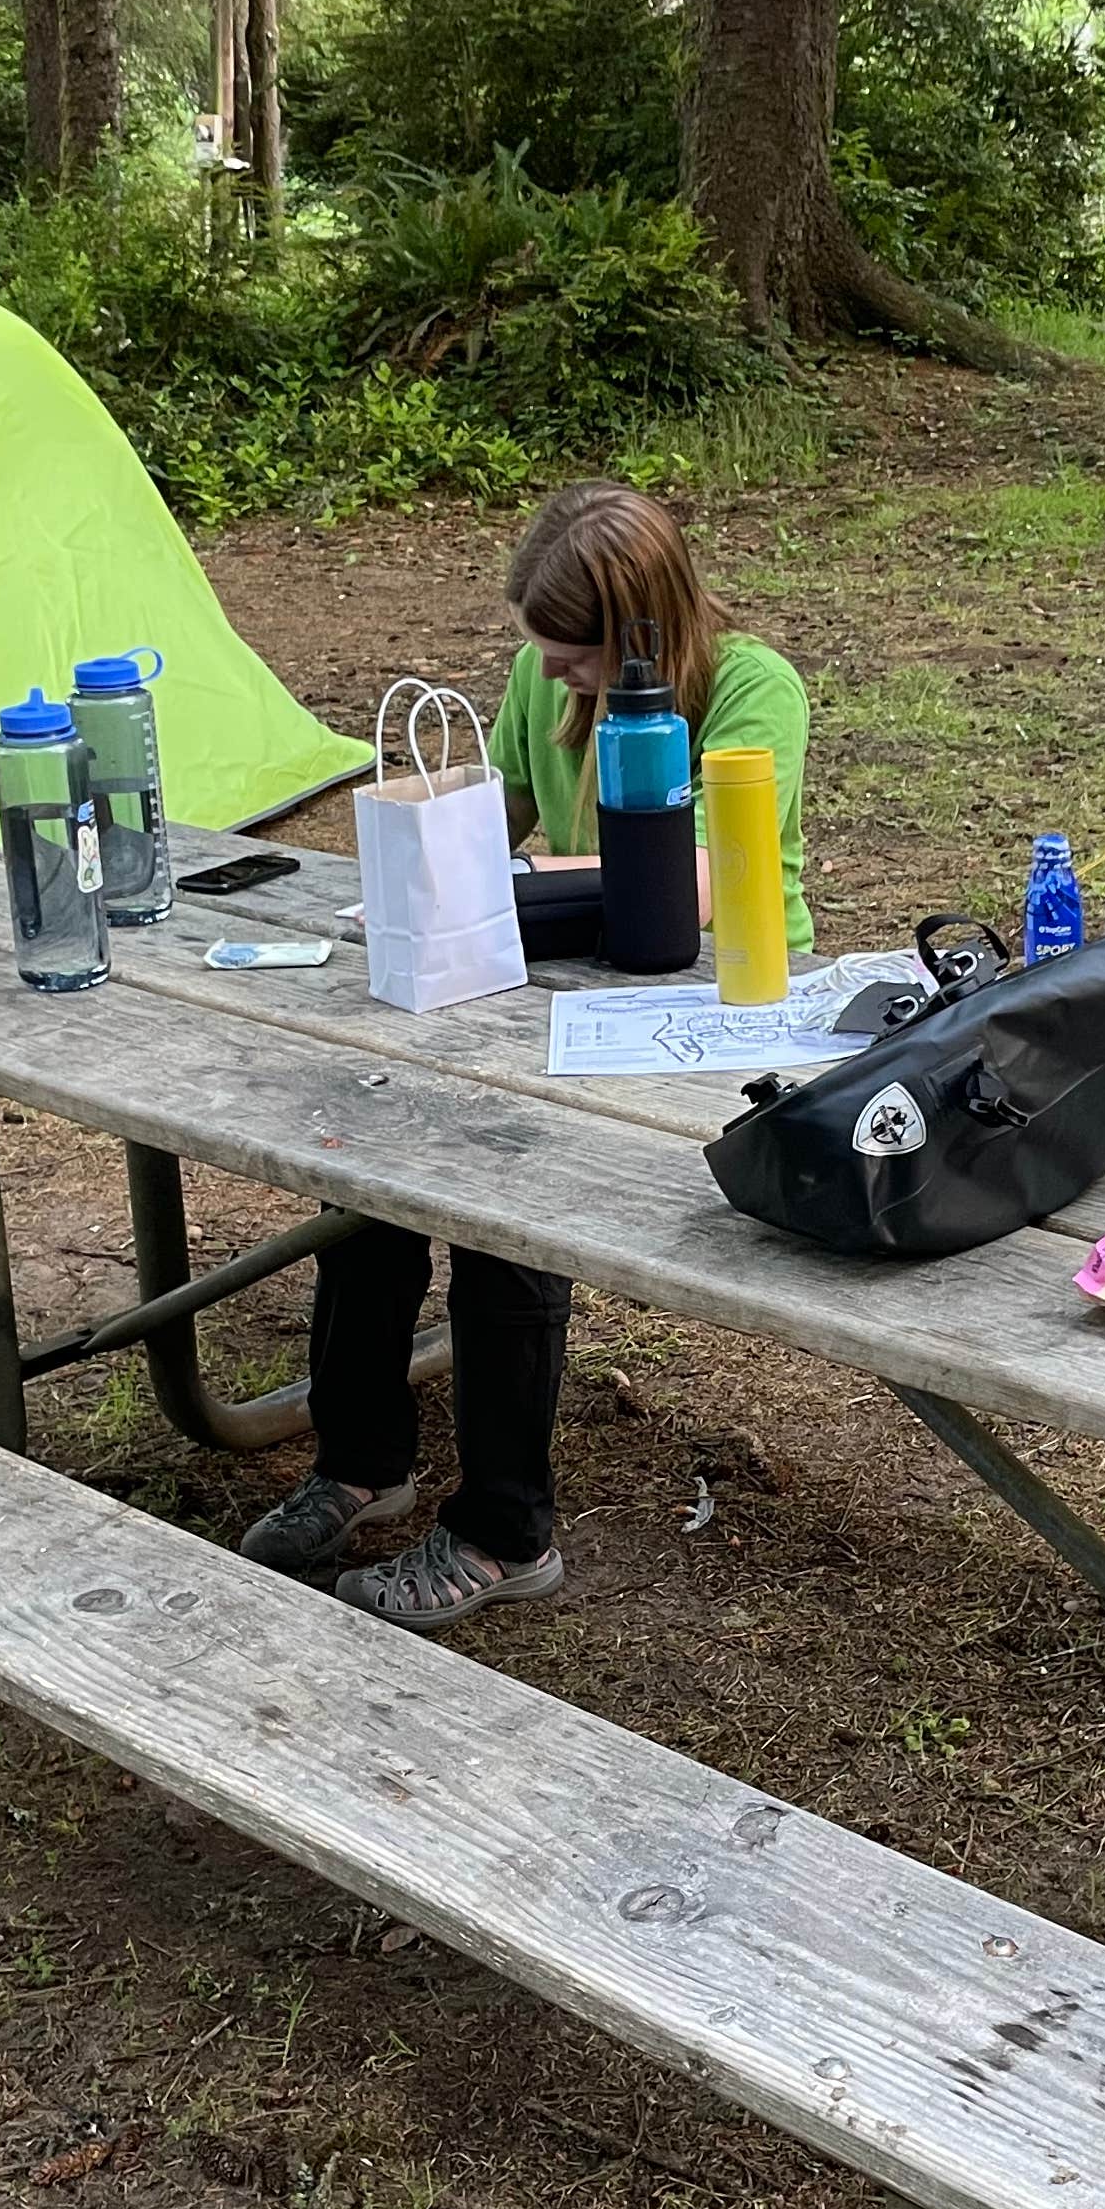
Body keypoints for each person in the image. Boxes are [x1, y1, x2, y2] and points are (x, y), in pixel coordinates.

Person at [240, 483, 811, 1631]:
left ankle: (505, 1533)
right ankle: (362, 1463)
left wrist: (518, 882)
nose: (550, 676)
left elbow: (696, 892)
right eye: (540, 653)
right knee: (375, 1157)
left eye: (573, 656)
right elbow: (478, 837)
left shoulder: (753, 690)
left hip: (718, 1012)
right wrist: (423, 862)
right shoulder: (539, 680)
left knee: (505, 1200)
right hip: (562, 991)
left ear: (644, 631)